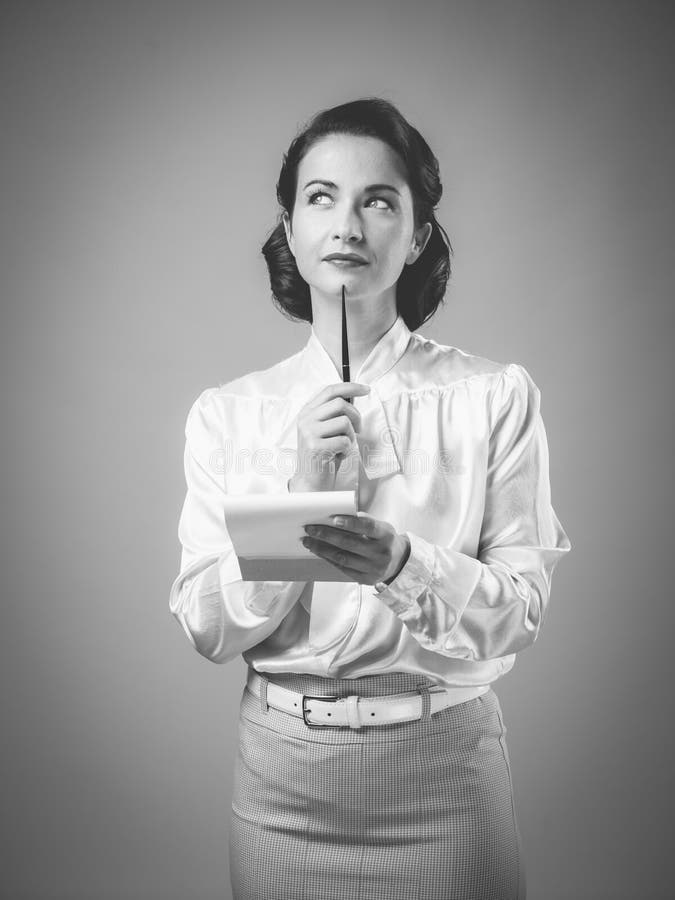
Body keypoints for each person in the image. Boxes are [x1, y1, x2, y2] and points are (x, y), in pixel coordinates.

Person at [169, 97, 571, 900]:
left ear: (416, 233)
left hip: (446, 776)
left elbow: (519, 612)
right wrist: (298, 501)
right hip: (281, 783)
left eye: (377, 201)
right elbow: (207, 628)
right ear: (290, 229)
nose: (346, 225)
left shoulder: (491, 396)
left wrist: (404, 563)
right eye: (320, 198)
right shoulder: (230, 412)